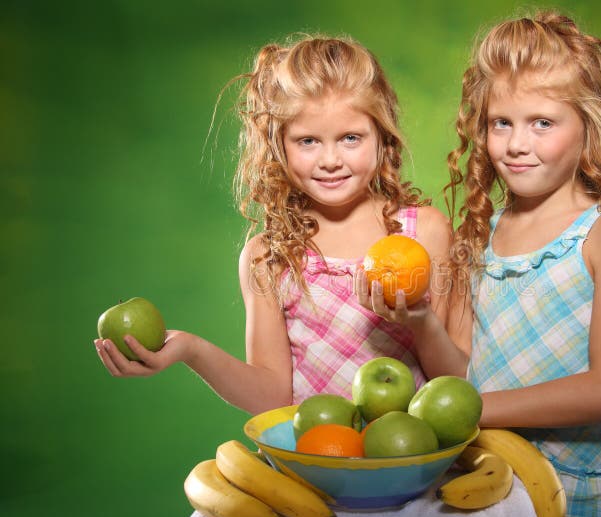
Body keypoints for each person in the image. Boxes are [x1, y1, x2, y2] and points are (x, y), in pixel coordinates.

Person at [356, 11, 601, 517]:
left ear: (589, 126)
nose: (515, 144)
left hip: (581, 491)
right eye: (500, 123)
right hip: (488, 488)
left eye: (543, 123)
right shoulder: (480, 233)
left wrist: (470, 411)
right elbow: (460, 379)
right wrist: (420, 321)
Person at [94, 35, 452, 414]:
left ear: (382, 136)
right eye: (308, 141)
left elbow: (453, 383)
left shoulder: (425, 233)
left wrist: (420, 323)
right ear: (278, 145)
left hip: (409, 449)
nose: (330, 160)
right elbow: (271, 397)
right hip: (313, 449)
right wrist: (190, 349)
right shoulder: (268, 256)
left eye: (351, 138)